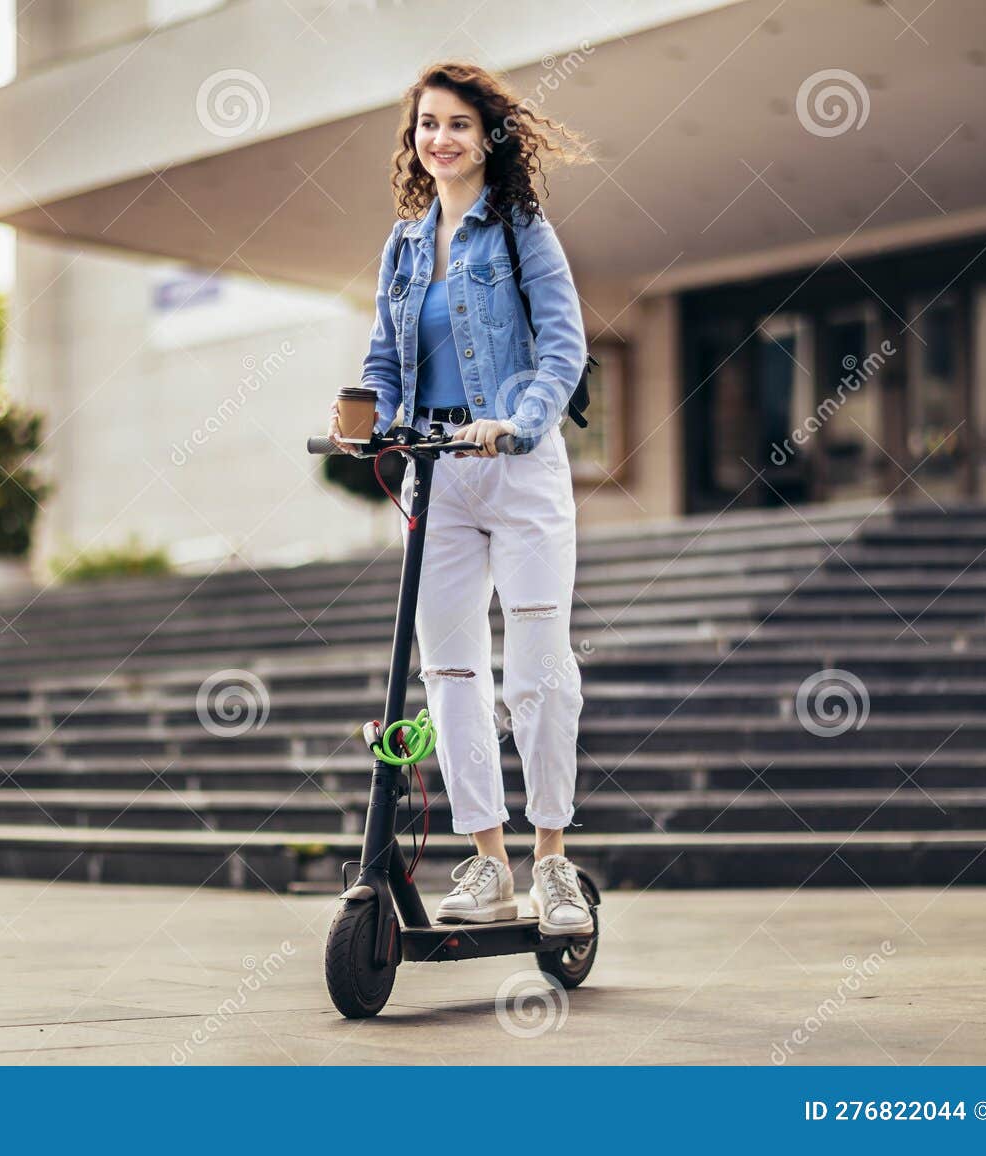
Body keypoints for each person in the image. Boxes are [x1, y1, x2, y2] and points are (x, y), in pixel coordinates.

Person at [325, 60, 595, 936]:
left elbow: (563, 351)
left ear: (488, 139)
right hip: (433, 471)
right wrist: (365, 418)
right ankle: (488, 859)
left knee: (537, 668)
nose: (439, 138)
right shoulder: (403, 245)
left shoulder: (521, 230)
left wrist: (512, 423)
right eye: (426, 124)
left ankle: (551, 859)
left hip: (517, 468)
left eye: (456, 125)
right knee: (447, 671)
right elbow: (382, 358)